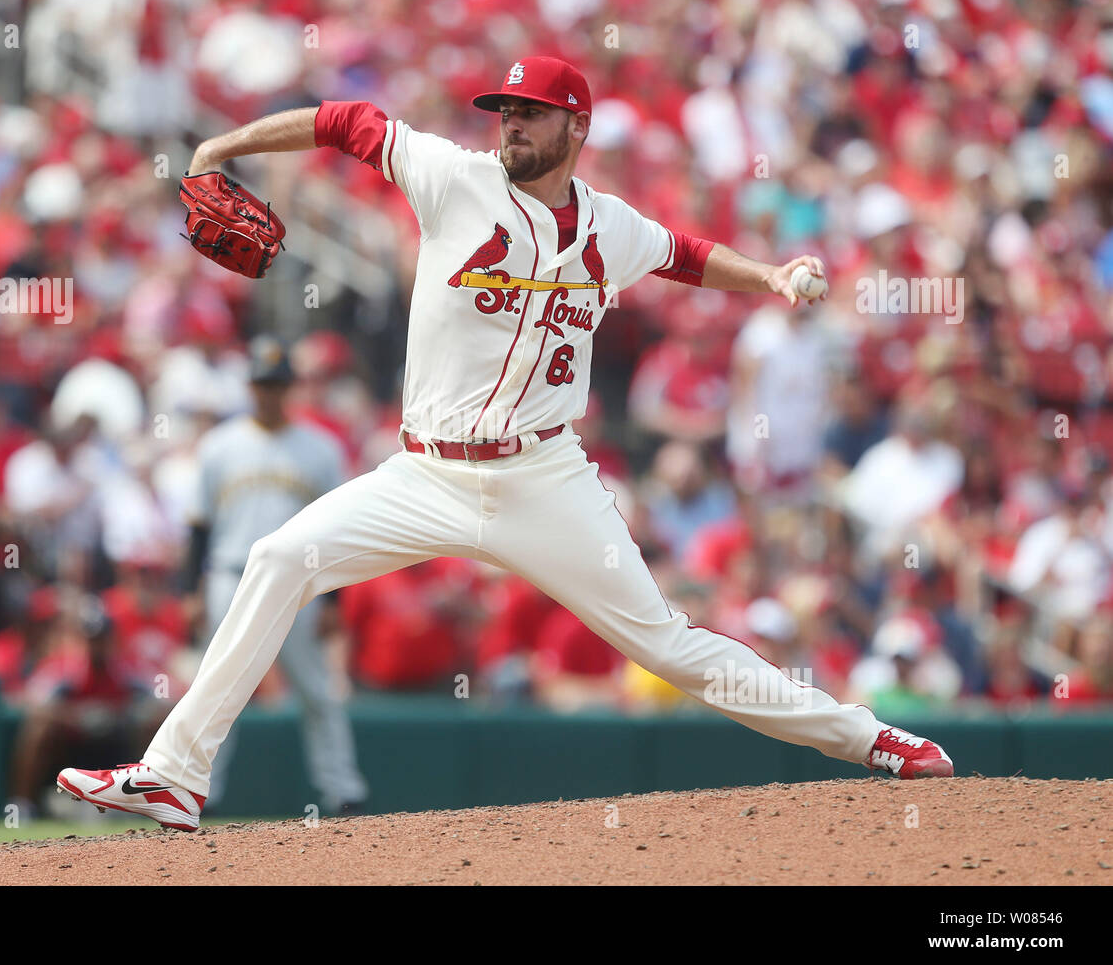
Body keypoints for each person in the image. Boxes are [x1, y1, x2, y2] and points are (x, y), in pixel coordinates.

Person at [58, 57, 952, 832]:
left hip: (543, 477)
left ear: (577, 126)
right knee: (278, 557)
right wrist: (222, 147)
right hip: (426, 473)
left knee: (668, 647)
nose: (511, 123)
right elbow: (343, 121)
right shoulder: (453, 178)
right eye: (505, 110)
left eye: (530, 111)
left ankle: (869, 738)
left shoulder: (611, 225)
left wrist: (772, 275)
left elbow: (682, 252)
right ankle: (174, 776)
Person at [176, 336, 367, 815]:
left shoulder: (320, 448)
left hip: (299, 582)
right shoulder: (219, 446)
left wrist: (334, 600)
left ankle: (343, 791)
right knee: (218, 689)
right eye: (263, 384)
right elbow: (199, 527)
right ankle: (200, 792)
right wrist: (192, 591)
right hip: (230, 576)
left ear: (290, 388)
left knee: (317, 691)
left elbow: (338, 529)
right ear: (250, 386)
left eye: (277, 384)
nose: (270, 393)